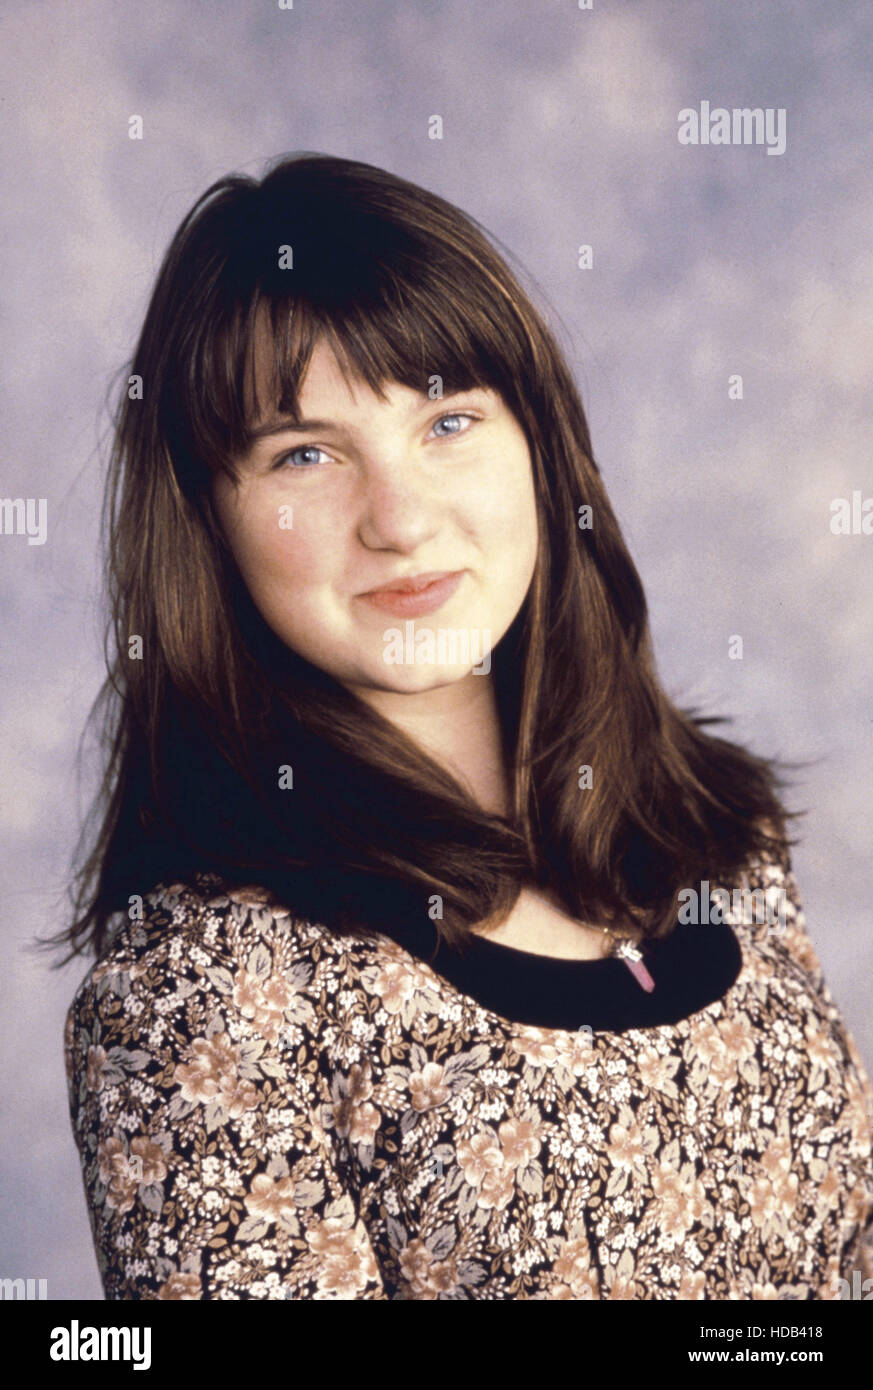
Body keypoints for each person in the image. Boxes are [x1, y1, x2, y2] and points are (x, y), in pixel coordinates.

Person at [53, 153, 873, 1300]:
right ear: (208, 522)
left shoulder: (721, 836)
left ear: (540, 447)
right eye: (305, 453)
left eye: (447, 420)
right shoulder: (199, 1000)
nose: (398, 517)